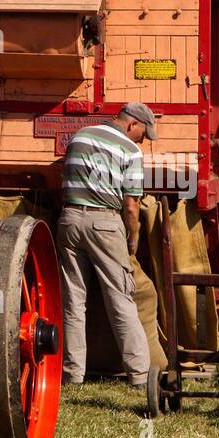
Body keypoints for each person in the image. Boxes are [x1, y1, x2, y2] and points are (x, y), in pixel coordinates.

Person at [56, 102, 155, 389]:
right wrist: (132, 238)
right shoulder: (130, 149)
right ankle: (140, 377)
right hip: (105, 224)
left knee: (73, 302)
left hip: (69, 220)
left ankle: (72, 375)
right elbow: (132, 204)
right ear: (132, 124)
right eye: (144, 135)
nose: (143, 141)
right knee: (121, 300)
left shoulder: (81, 135)